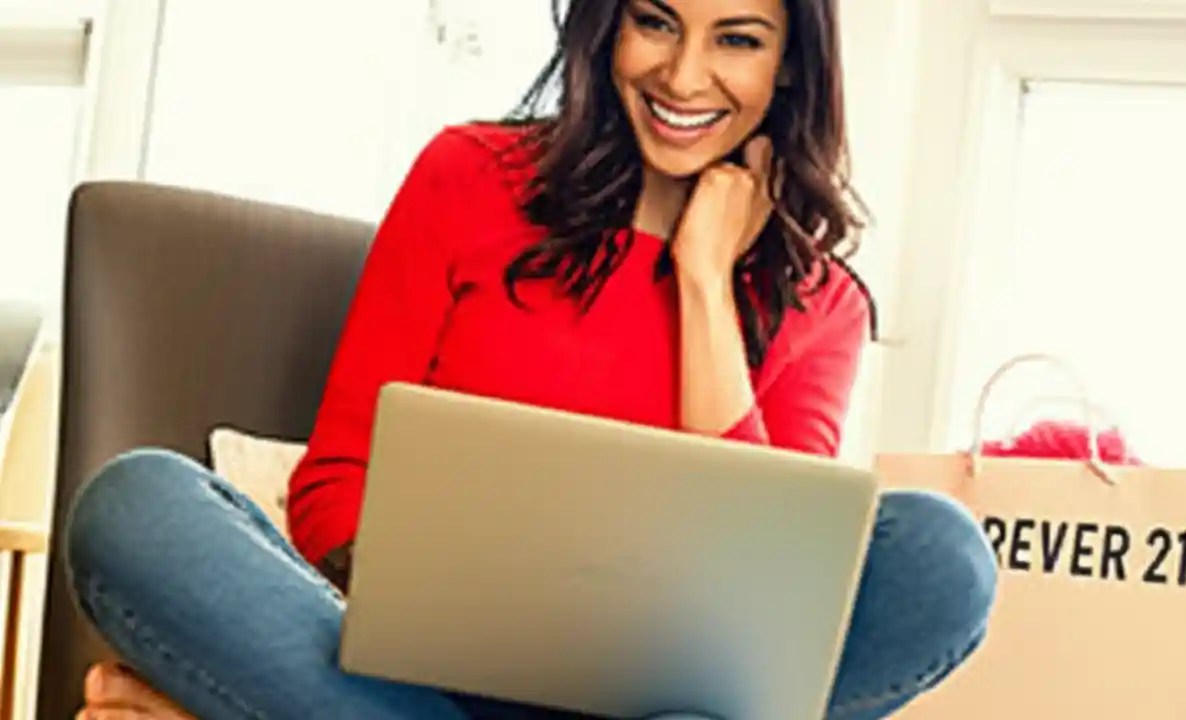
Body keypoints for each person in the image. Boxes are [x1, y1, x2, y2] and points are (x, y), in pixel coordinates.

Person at [64, 0, 998, 717]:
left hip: (656, 705)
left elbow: (770, 614)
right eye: (655, 22)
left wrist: (705, 282)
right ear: (608, 25)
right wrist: (462, 604)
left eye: (738, 39)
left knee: (942, 557)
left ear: (791, 62)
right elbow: (334, 485)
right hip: (417, 677)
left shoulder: (822, 305)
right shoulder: (469, 177)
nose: (684, 76)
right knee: (139, 503)